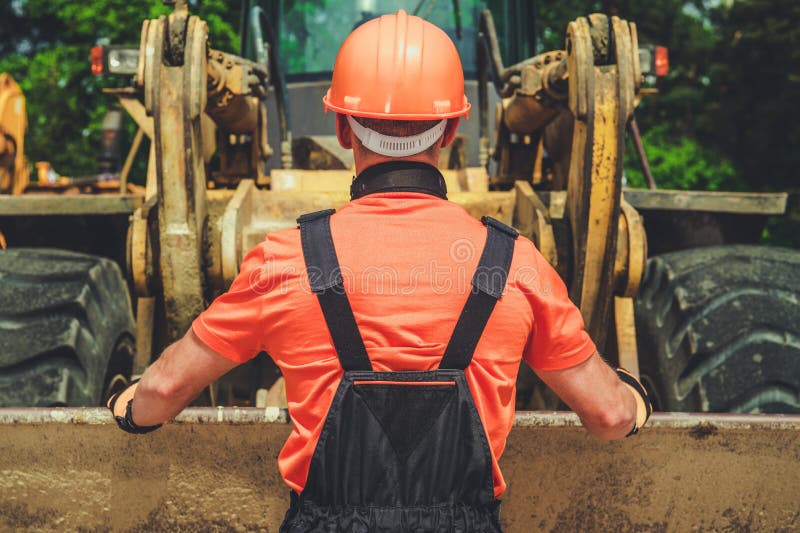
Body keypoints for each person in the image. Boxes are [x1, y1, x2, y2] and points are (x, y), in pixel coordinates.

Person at [108, 9, 650, 532]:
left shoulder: (285, 259)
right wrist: (633, 399)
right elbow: (609, 417)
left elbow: (163, 391)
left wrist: (131, 406)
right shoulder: (515, 263)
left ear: (343, 129)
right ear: (450, 131)